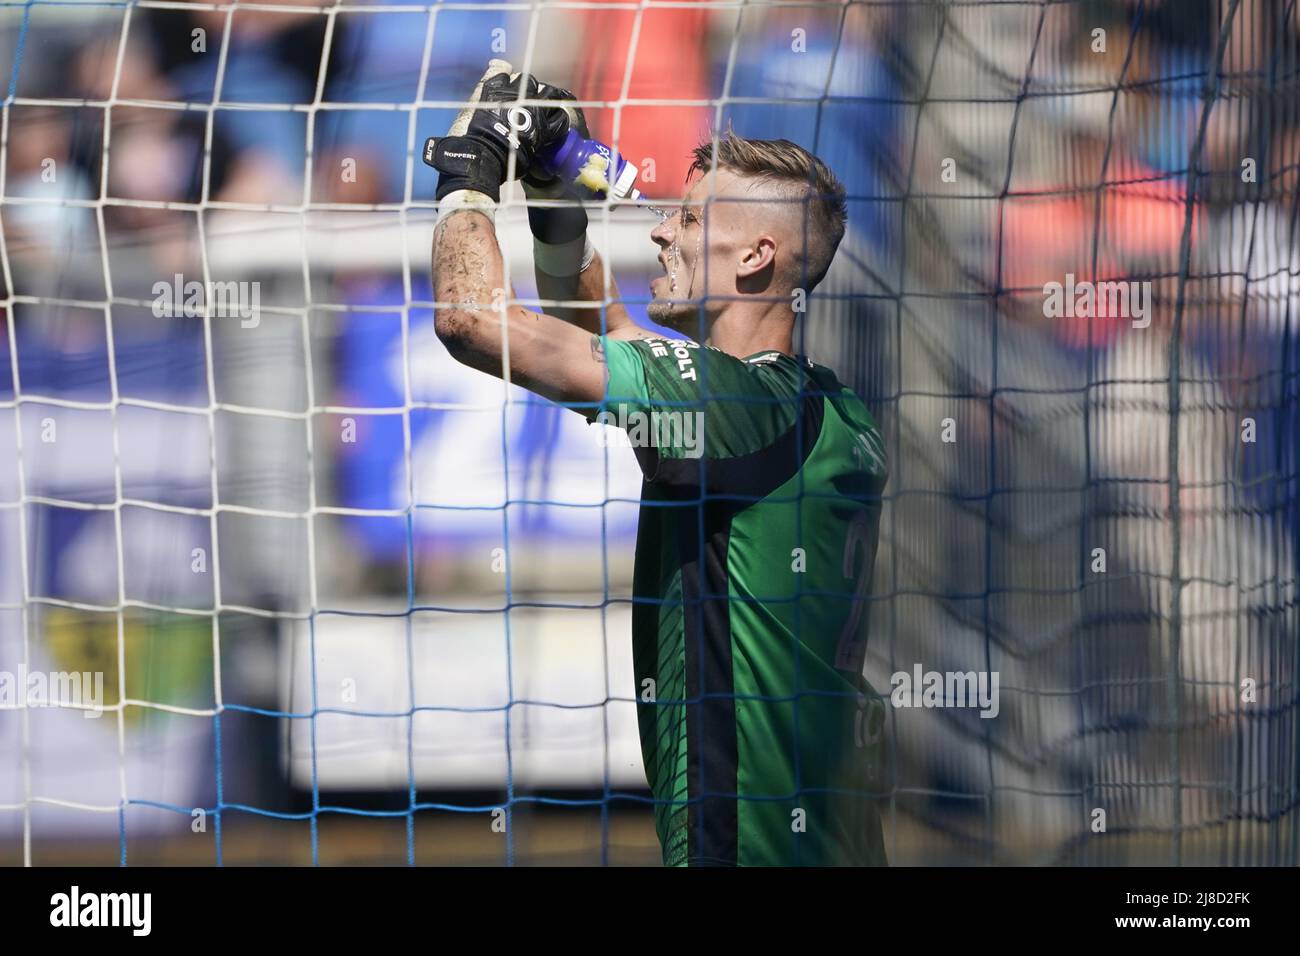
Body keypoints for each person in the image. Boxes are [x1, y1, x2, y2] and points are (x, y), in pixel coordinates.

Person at [426, 60, 888, 866]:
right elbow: (597, 325)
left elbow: (472, 320)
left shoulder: (729, 409)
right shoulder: (813, 408)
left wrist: (470, 177)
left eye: (691, 220)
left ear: (755, 258)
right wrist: (552, 198)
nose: (660, 232)